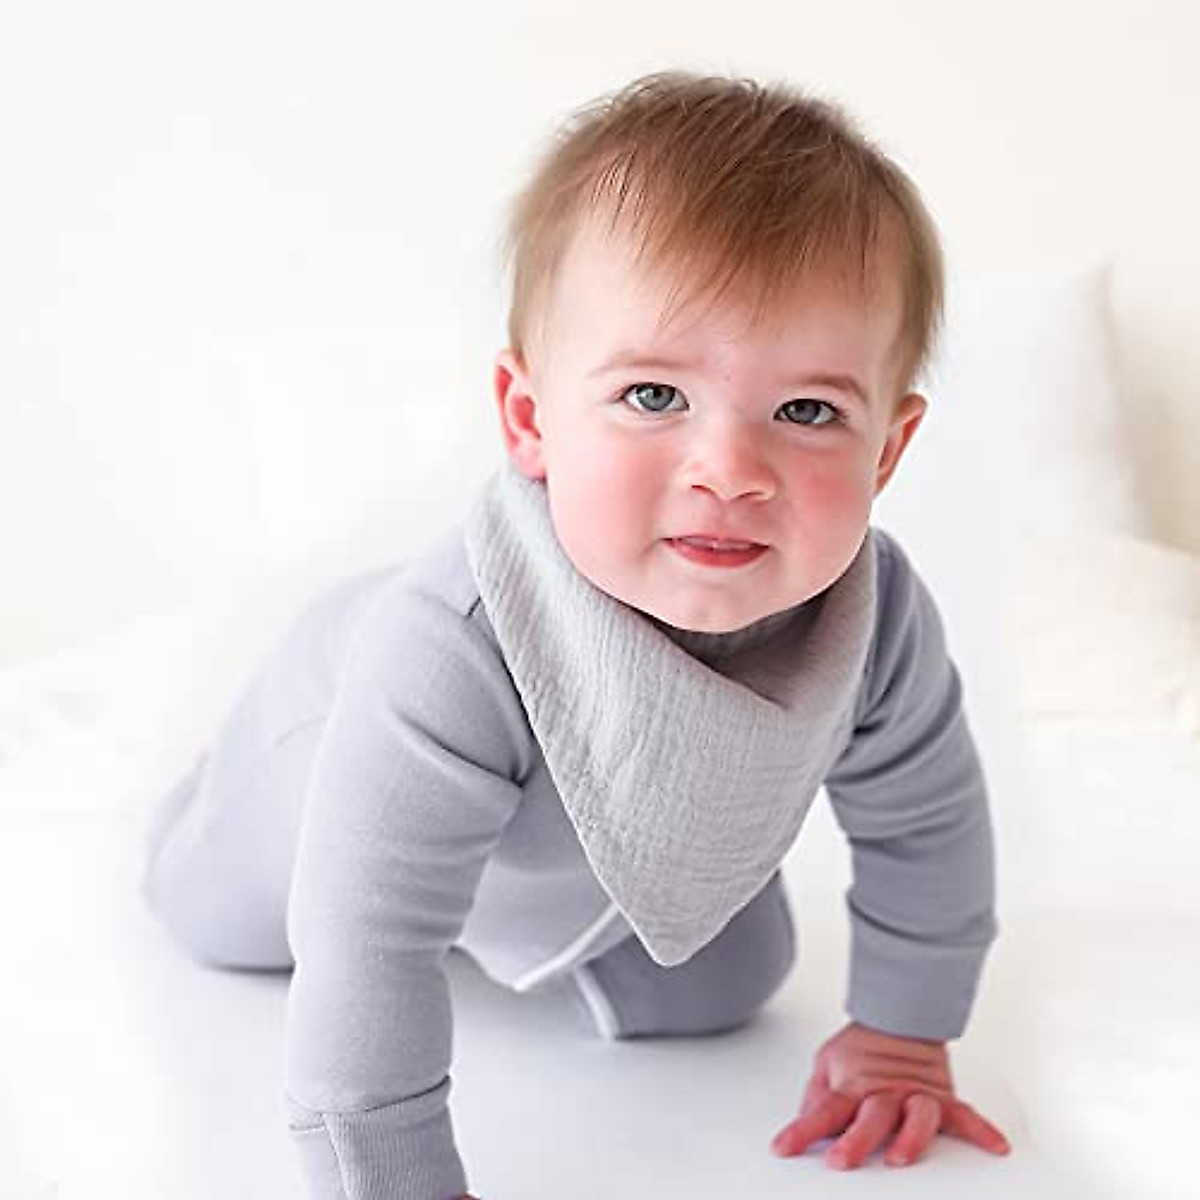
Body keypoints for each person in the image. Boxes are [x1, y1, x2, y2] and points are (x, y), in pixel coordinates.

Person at [141, 68, 1011, 1199]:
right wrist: (393, 1177)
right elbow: (368, 937)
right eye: (654, 396)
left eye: (807, 411)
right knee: (219, 919)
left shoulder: (875, 621)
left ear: (886, 452)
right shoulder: (453, 644)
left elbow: (926, 823)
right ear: (530, 419)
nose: (729, 471)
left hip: (575, 853)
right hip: (316, 767)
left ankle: (513, 933)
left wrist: (902, 1033)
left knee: (726, 982)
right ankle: (202, 796)